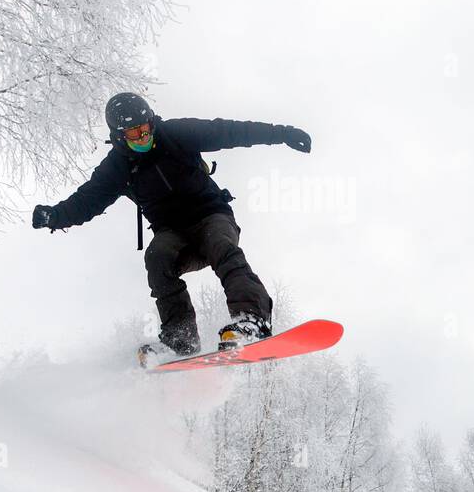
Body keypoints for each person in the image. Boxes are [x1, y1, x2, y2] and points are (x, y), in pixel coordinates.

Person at [32, 93, 311, 361]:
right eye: (132, 135)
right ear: (119, 137)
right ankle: (181, 340)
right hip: (173, 233)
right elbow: (87, 200)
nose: (142, 137)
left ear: (152, 123)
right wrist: (55, 216)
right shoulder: (116, 167)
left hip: (211, 215)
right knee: (157, 257)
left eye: (144, 129)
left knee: (221, 246)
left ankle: (252, 320)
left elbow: (229, 131)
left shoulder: (176, 133)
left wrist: (282, 133)